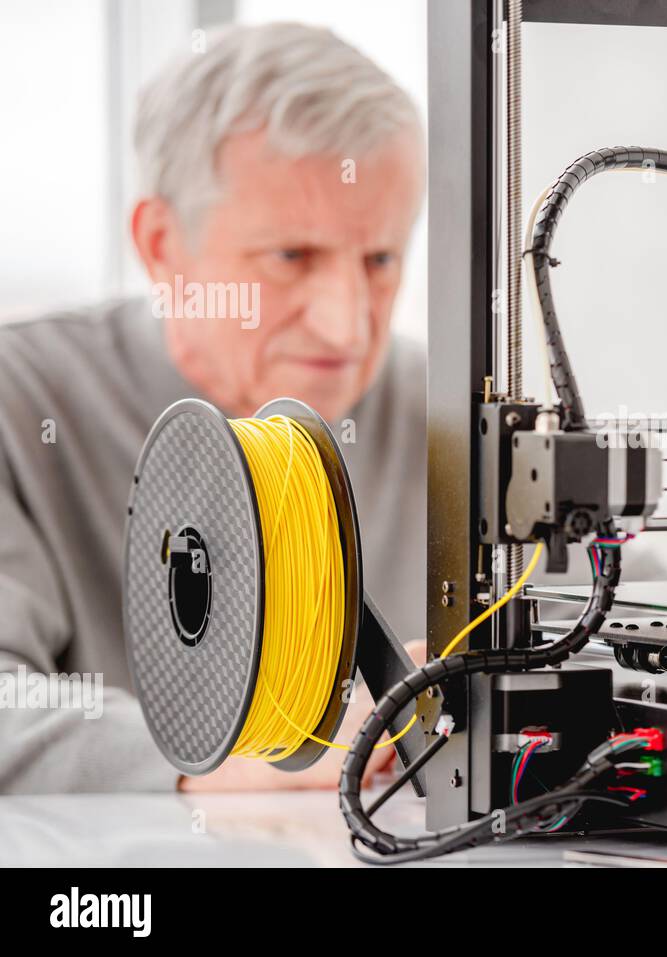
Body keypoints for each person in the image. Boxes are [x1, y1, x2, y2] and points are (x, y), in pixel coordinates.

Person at [0, 23, 427, 793]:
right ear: (163, 246)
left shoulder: (451, 416)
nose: (346, 323)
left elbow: (637, 625)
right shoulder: (19, 401)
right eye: (291, 257)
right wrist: (211, 772)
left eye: (380, 260)